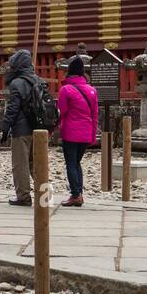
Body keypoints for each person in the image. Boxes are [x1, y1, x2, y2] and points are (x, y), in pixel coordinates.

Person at [57, 56, 98, 206]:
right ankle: (79, 193)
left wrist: (53, 130)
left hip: (71, 132)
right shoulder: (92, 90)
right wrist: (93, 136)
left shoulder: (66, 90)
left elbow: (61, 112)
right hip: (86, 132)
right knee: (77, 162)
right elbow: (95, 116)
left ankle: (75, 195)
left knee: (71, 163)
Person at [0, 49, 37, 206]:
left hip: (21, 129)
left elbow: (13, 109)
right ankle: (45, 193)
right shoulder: (38, 80)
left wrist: (5, 128)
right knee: (37, 163)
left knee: (20, 163)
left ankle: (23, 196)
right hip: (39, 128)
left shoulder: (17, 83)